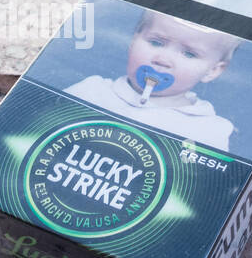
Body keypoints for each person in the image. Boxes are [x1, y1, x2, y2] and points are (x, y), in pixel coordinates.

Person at [65, 9, 238, 151]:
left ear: (213, 70)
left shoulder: (208, 130)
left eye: (189, 54)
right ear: (133, 40)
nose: (162, 59)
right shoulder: (91, 91)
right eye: (156, 43)